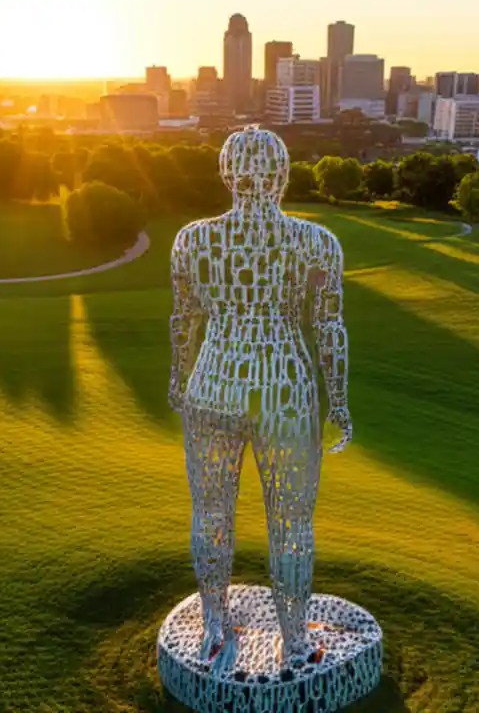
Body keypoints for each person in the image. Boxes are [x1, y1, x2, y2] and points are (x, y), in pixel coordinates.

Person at [168, 125, 351, 667]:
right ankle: (295, 643)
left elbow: (184, 322)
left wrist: (179, 380)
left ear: (227, 174)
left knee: (210, 514)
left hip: (213, 385)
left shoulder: (193, 240)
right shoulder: (316, 241)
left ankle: (214, 630)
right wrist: (338, 400)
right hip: (284, 391)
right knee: (291, 523)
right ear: (283, 175)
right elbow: (330, 331)